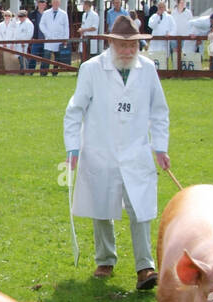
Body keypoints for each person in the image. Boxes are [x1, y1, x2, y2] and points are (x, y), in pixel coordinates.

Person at [63, 15, 168, 287]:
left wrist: (161, 147)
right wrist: (72, 147)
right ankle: (105, 259)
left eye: (133, 45)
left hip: (136, 149)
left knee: (140, 207)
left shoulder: (147, 69)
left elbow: (159, 110)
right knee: (101, 204)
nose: (128, 50)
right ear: (110, 43)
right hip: (100, 147)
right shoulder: (91, 69)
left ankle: (145, 266)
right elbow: (75, 110)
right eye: (122, 45)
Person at [37, 0, 69, 76]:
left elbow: (66, 27)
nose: (55, 4)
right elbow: (42, 24)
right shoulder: (46, 13)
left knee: (57, 58)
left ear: (59, 3)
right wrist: (47, 33)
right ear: (51, 3)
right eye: (54, 2)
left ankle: (55, 73)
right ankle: (44, 73)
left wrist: (65, 39)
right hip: (49, 38)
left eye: (57, 2)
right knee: (46, 57)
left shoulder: (63, 14)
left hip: (59, 38)